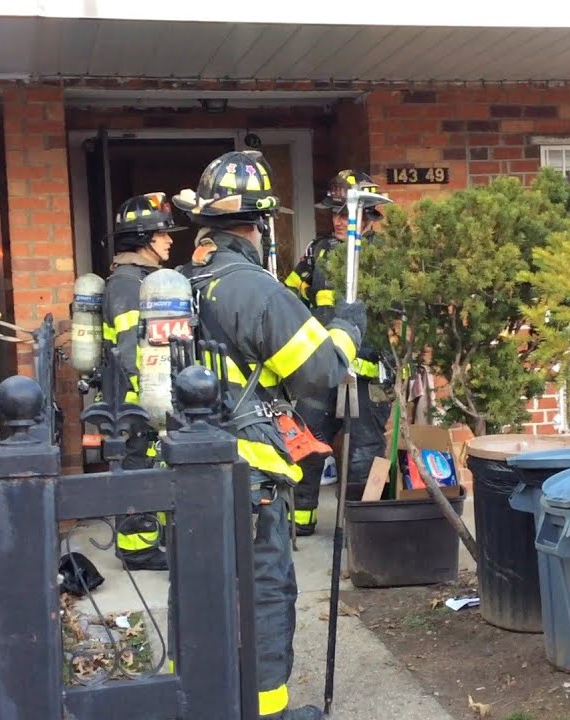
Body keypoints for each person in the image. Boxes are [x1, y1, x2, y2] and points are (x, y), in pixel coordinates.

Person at [174, 151, 365, 720]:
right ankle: (264, 710)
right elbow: (322, 373)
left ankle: (197, 699)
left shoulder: (183, 284)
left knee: (196, 588)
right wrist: (348, 326)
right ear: (258, 227)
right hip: (249, 475)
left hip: (182, 470)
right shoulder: (254, 289)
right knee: (263, 592)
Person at [283, 170, 394, 535]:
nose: (337, 219)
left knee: (363, 450)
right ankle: (301, 521)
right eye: (334, 213)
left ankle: (361, 529)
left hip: (368, 374)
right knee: (306, 443)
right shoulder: (317, 252)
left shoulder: (383, 258)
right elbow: (291, 297)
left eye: (346, 213)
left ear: (370, 217)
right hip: (321, 369)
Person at [102, 192, 183, 572]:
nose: (169, 240)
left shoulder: (144, 280)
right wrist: (150, 397)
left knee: (153, 468)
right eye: (162, 234)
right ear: (143, 239)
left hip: (145, 397)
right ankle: (137, 549)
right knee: (138, 470)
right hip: (134, 402)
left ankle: (153, 538)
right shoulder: (127, 283)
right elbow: (130, 349)